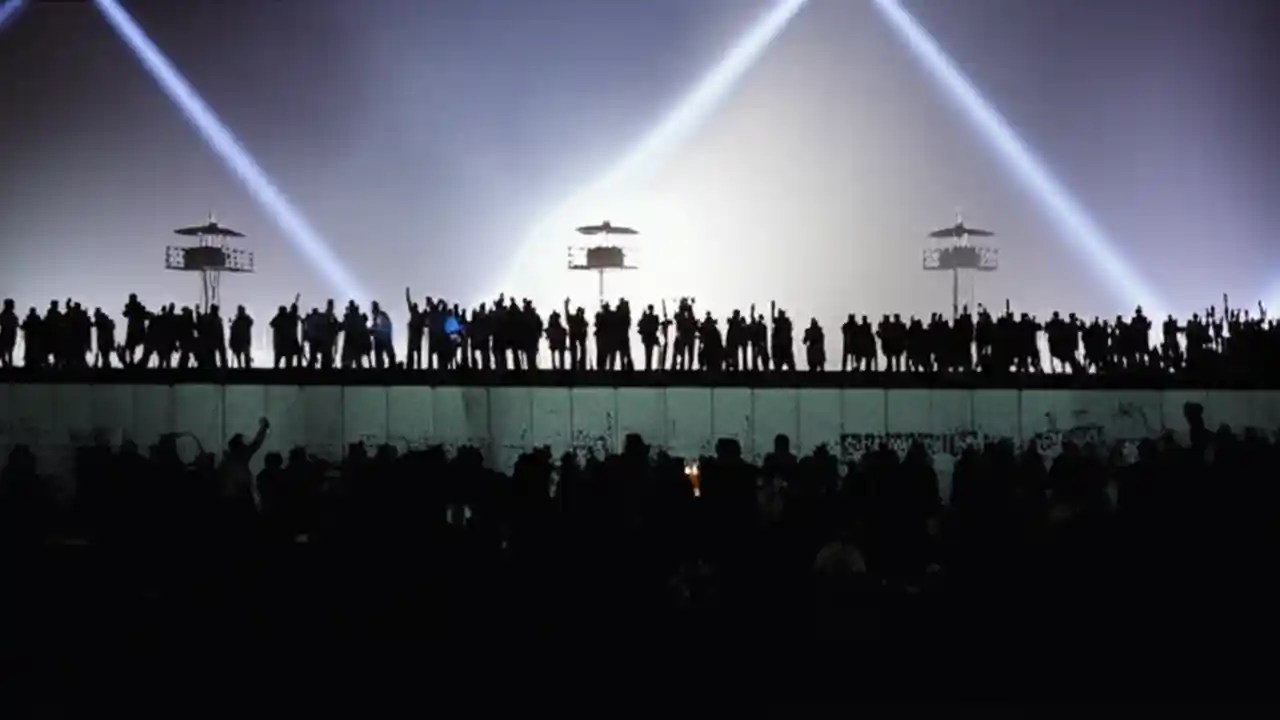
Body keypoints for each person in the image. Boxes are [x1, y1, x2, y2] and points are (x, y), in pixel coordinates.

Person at [370, 301, 395, 369]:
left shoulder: (382, 315)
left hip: (384, 338)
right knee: (379, 356)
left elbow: (384, 327)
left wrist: (373, 330)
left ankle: (391, 368)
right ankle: (380, 367)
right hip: (380, 339)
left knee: (389, 354)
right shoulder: (376, 317)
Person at [0, 299, 18, 368]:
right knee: (5, 350)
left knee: (8, 350)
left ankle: (8, 364)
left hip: (9, 333)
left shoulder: (8, 315)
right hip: (7, 333)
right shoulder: (7, 315)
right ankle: (6, 364)